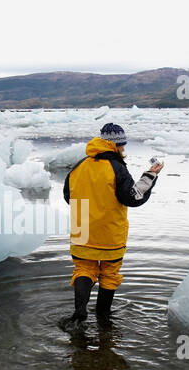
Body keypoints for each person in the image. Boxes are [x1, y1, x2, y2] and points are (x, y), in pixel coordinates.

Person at [61, 122, 163, 324]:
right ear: (116, 145)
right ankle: (103, 318)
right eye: (122, 145)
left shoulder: (79, 166)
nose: (124, 149)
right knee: (109, 274)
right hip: (110, 233)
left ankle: (80, 312)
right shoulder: (117, 168)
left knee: (84, 270)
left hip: (82, 232)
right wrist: (150, 175)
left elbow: (68, 196)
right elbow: (132, 198)